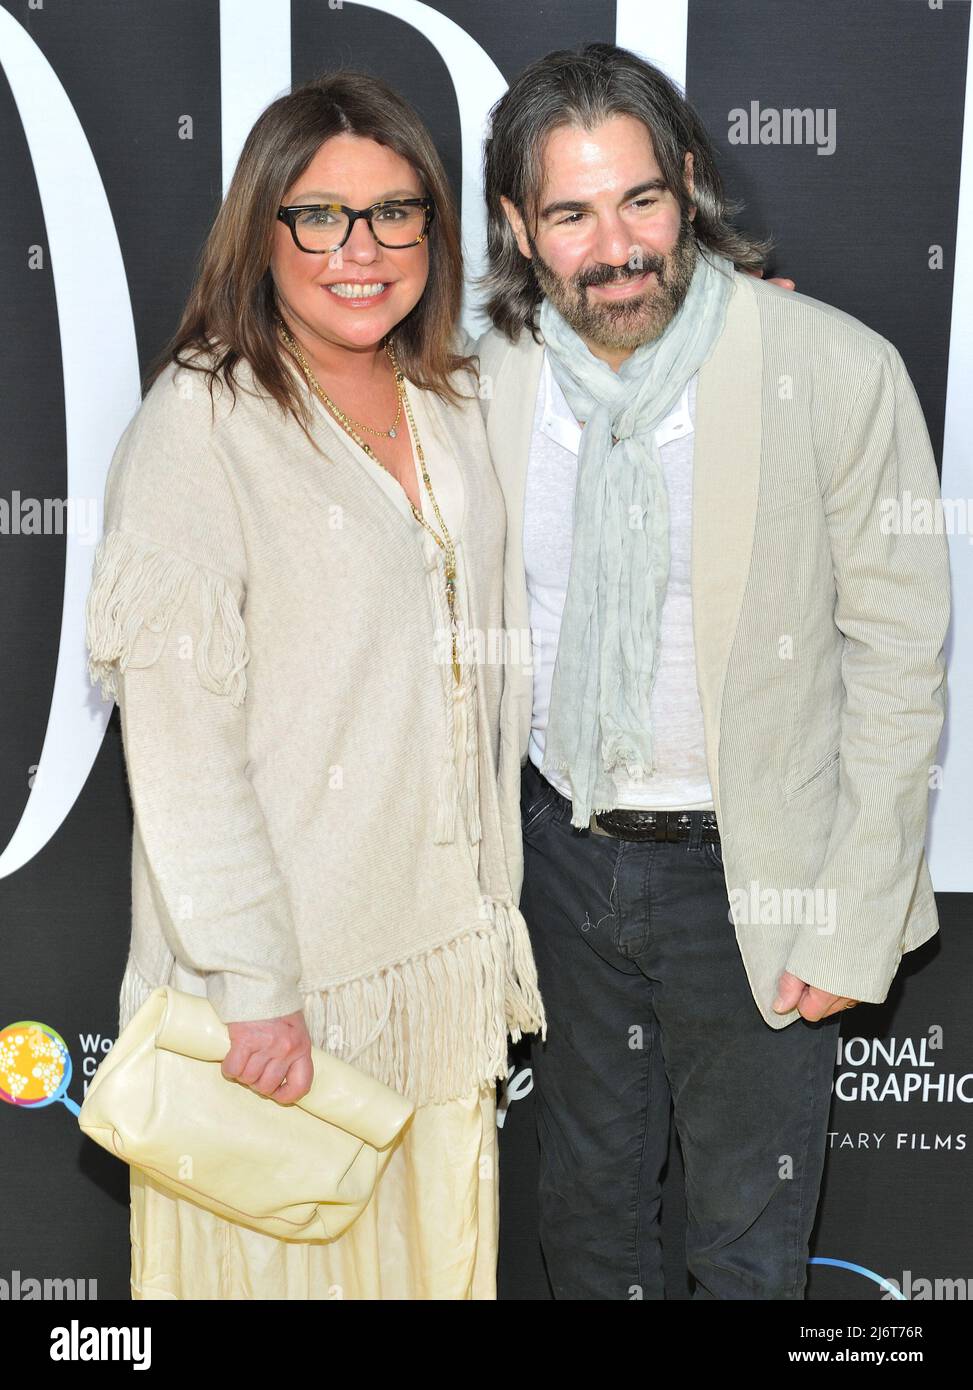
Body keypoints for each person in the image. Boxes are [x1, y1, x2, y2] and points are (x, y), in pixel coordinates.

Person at [474, 42, 950, 1299]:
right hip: (559, 861)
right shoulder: (482, 382)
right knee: (583, 1234)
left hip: (755, 876)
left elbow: (901, 662)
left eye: (639, 198)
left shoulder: (831, 369)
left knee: (747, 1253)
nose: (615, 243)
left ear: (688, 184)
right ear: (519, 227)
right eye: (571, 212)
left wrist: (850, 914)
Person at [84, 70, 544, 1301]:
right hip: (283, 1000)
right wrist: (253, 987)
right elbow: (179, 748)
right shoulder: (202, 425)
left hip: (435, 972)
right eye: (321, 215)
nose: (363, 249)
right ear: (262, 231)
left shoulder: (449, 399)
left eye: (396, 213)